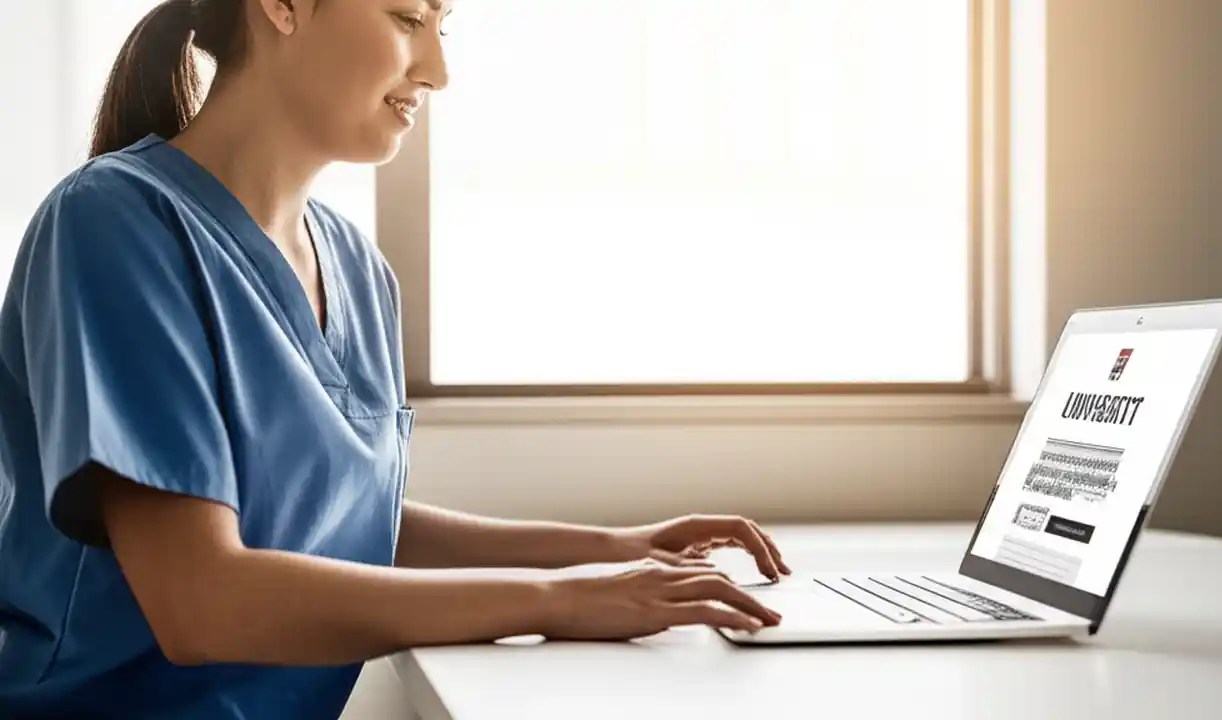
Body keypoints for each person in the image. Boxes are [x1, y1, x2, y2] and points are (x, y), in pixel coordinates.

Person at [0, 1, 790, 717]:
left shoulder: (360, 270)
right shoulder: (113, 224)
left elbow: (344, 523)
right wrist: (557, 598)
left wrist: (613, 548)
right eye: (408, 18)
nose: (438, 71)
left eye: (441, 29)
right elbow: (201, 599)